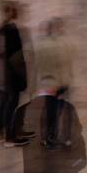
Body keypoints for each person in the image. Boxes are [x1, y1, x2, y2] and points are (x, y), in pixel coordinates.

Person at [0, 2, 30, 147]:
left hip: (0, 73)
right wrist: (23, 76)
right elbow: (16, 56)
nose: (17, 12)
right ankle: (9, 137)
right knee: (11, 104)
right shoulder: (10, 30)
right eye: (15, 10)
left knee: (2, 103)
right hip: (10, 74)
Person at [33, 17, 75, 146]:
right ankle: (54, 137)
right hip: (56, 82)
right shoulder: (54, 44)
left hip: (55, 82)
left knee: (53, 109)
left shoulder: (50, 43)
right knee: (54, 110)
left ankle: (52, 137)